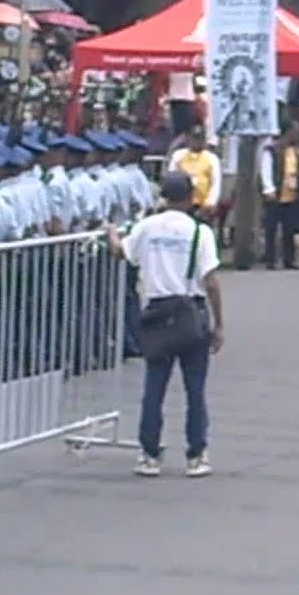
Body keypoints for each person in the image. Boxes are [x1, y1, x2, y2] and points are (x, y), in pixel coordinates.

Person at [108, 171, 224, 479]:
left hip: (157, 311)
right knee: (195, 388)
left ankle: (149, 454)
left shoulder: (147, 228)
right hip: (191, 310)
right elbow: (211, 281)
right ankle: (196, 455)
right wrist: (219, 324)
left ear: (164, 197)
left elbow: (123, 253)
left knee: (154, 386)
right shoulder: (200, 232)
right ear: (190, 198)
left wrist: (112, 235)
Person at [259, 121, 299, 269]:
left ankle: (289, 259)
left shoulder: (295, 150)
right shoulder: (272, 149)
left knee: (289, 228)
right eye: (294, 131)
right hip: (276, 193)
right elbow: (266, 170)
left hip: (291, 193)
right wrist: (268, 188)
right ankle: (270, 259)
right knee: (271, 228)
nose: (297, 134)